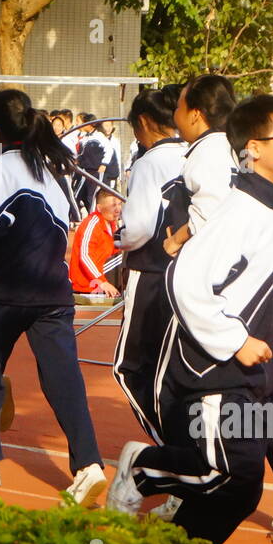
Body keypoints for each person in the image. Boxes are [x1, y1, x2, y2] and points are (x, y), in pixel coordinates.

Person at [108, 95, 273, 544]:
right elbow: (185, 280)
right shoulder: (239, 211)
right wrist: (236, 341)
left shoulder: (262, 209)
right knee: (224, 474)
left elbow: (254, 275)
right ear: (254, 148)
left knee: (239, 492)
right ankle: (142, 468)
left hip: (249, 378)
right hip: (215, 373)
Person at [0, 89, 106, 505]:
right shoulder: (48, 172)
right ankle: (89, 465)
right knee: (62, 375)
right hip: (54, 292)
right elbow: (62, 232)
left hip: (8, 291)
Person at [112, 85, 187, 443]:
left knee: (130, 369)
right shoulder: (195, 155)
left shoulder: (149, 162)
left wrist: (118, 239)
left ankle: (172, 453)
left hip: (152, 270)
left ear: (144, 122)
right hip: (189, 272)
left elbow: (138, 227)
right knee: (174, 367)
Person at [162, 74, 238, 258]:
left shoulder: (208, 151)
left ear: (195, 114)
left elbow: (209, 211)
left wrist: (176, 240)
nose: (175, 114)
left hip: (212, 263)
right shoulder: (232, 145)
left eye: (179, 107)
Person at [70, 189, 123, 295]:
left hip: (100, 276)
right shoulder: (92, 223)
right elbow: (85, 256)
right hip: (88, 284)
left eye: (120, 204)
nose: (118, 209)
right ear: (99, 208)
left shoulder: (111, 224)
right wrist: (102, 282)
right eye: (113, 205)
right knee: (129, 256)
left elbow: (113, 252)